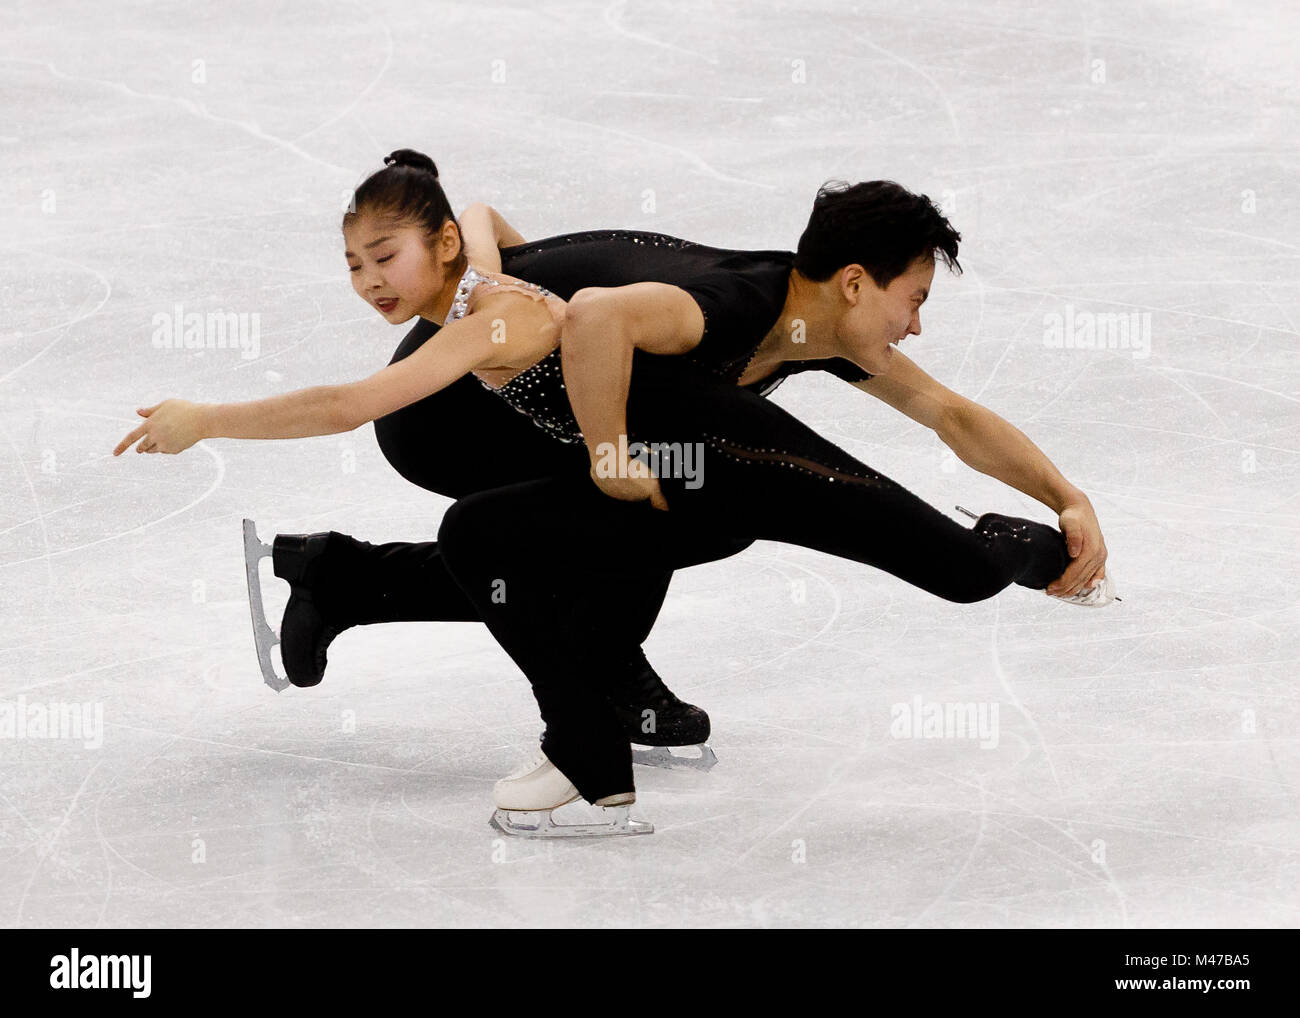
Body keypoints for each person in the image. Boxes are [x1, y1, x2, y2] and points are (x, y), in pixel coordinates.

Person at [114, 150, 1114, 835]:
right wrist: (596, 442)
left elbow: (947, 412)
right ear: (854, 282)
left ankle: (362, 587)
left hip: (617, 414)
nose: (917, 326)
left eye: (383, 257)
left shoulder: (814, 327)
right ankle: (580, 706)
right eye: (914, 299)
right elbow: (582, 320)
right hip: (451, 420)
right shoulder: (715, 305)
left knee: (677, 516)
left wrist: (1065, 492)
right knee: (565, 522)